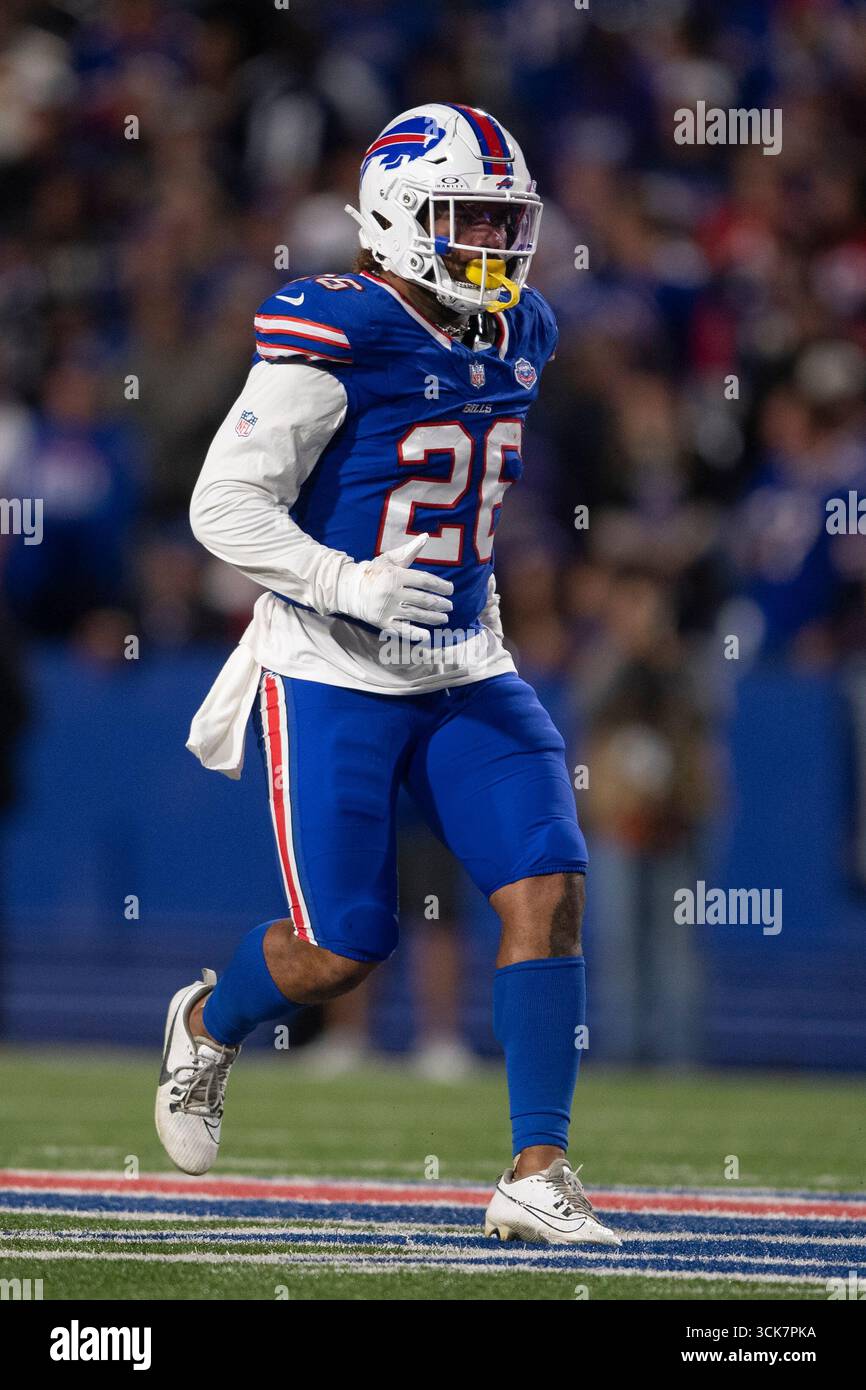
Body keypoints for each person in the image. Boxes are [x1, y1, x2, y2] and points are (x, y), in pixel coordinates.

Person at [155, 104, 618, 1247]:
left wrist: (482, 616)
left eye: (504, 223)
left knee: (548, 885)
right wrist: (343, 581)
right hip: (331, 663)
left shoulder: (523, 330)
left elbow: (467, 512)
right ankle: (208, 1023)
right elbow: (221, 507)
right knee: (341, 948)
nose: (492, 248)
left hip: (463, 663)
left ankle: (535, 1169)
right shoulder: (338, 328)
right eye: (465, 220)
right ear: (396, 217)